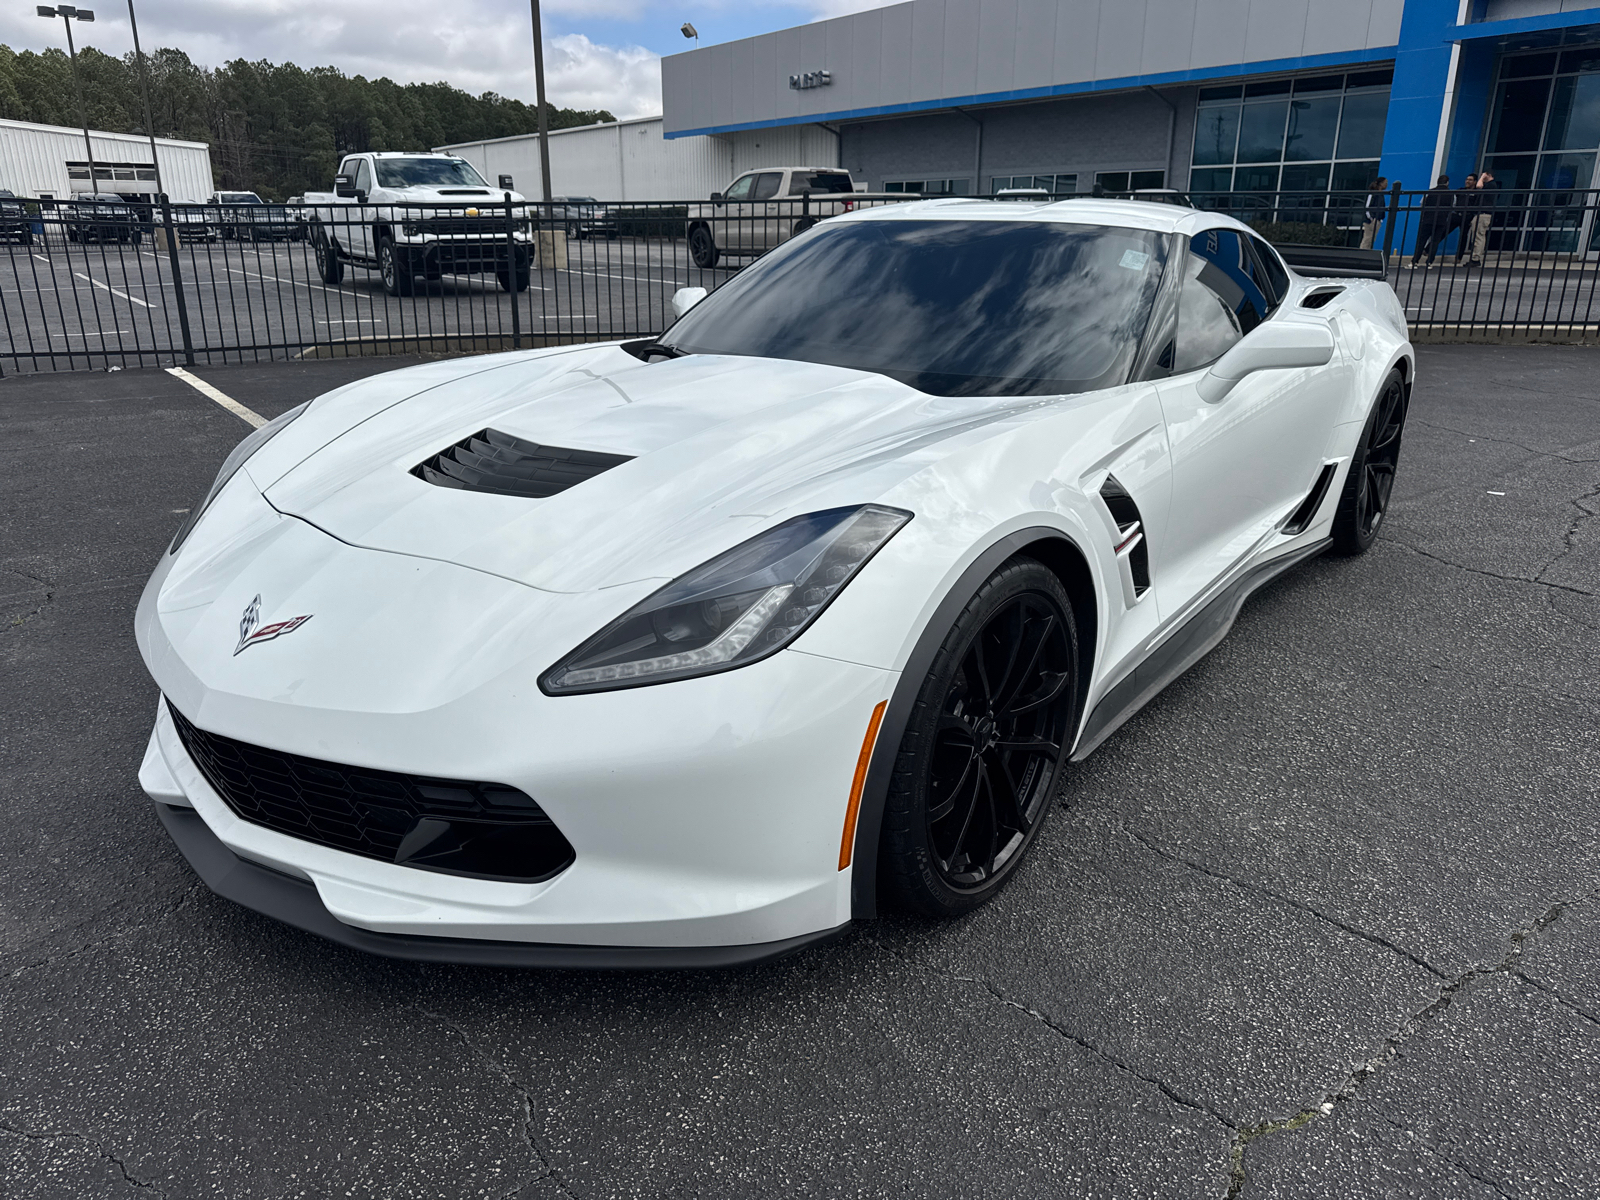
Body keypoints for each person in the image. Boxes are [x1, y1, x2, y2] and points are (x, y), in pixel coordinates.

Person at [1409, 174, 1453, 268]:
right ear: (1447, 183)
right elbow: (1452, 206)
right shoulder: (1451, 194)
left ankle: (1415, 261)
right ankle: (1429, 262)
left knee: (1421, 240)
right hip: (1441, 221)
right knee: (1435, 241)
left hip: (1428, 219)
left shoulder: (1429, 192)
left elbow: (1422, 204)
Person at [1460, 171, 1496, 267]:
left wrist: (1482, 177)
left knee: (1478, 236)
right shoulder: (1489, 185)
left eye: (1483, 175)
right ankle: (1475, 257)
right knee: (1477, 236)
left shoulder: (1491, 185)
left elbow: (1478, 187)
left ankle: (1475, 258)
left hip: (1483, 214)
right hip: (1481, 214)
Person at [1360, 177, 1388, 250]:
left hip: (1377, 219)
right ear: (1381, 184)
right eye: (1385, 183)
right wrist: (1371, 218)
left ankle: (1367, 254)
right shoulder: (1373, 193)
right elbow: (1367, 207)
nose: (1386, 185)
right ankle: (1362, 254)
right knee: (1367, 239)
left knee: (1372, 239)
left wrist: (1380, 218)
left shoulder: (1381, 194)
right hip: (1370, 220)